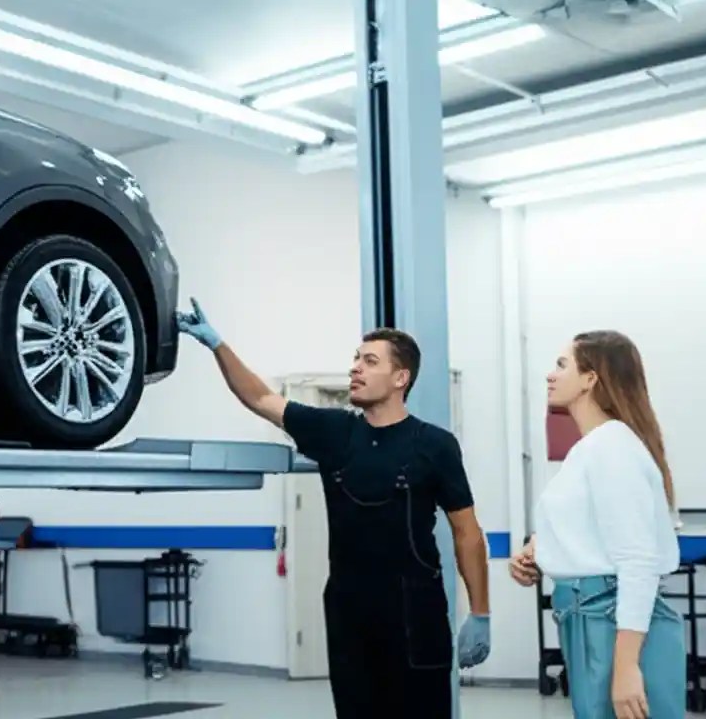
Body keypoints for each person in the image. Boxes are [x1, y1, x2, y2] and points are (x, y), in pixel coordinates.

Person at [176, 298, 491, 719]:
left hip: (416, 616)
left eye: (369, 361)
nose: (355, 368)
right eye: (355, 359)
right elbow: (260, 398)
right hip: (349, 613)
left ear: (401, 377)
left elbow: (466, 532)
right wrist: (217, 345)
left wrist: (481, 612)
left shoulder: (435, 445)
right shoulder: (333, 431)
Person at [509, 330, 685, 719]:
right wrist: (540, 549)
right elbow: (593, 529)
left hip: (608, 619)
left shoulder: (611, 447)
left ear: (591, 379)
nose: (550, 375)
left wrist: (625, 668)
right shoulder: (593, 448)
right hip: (589, 615)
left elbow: (638, 560)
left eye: (561, 365)